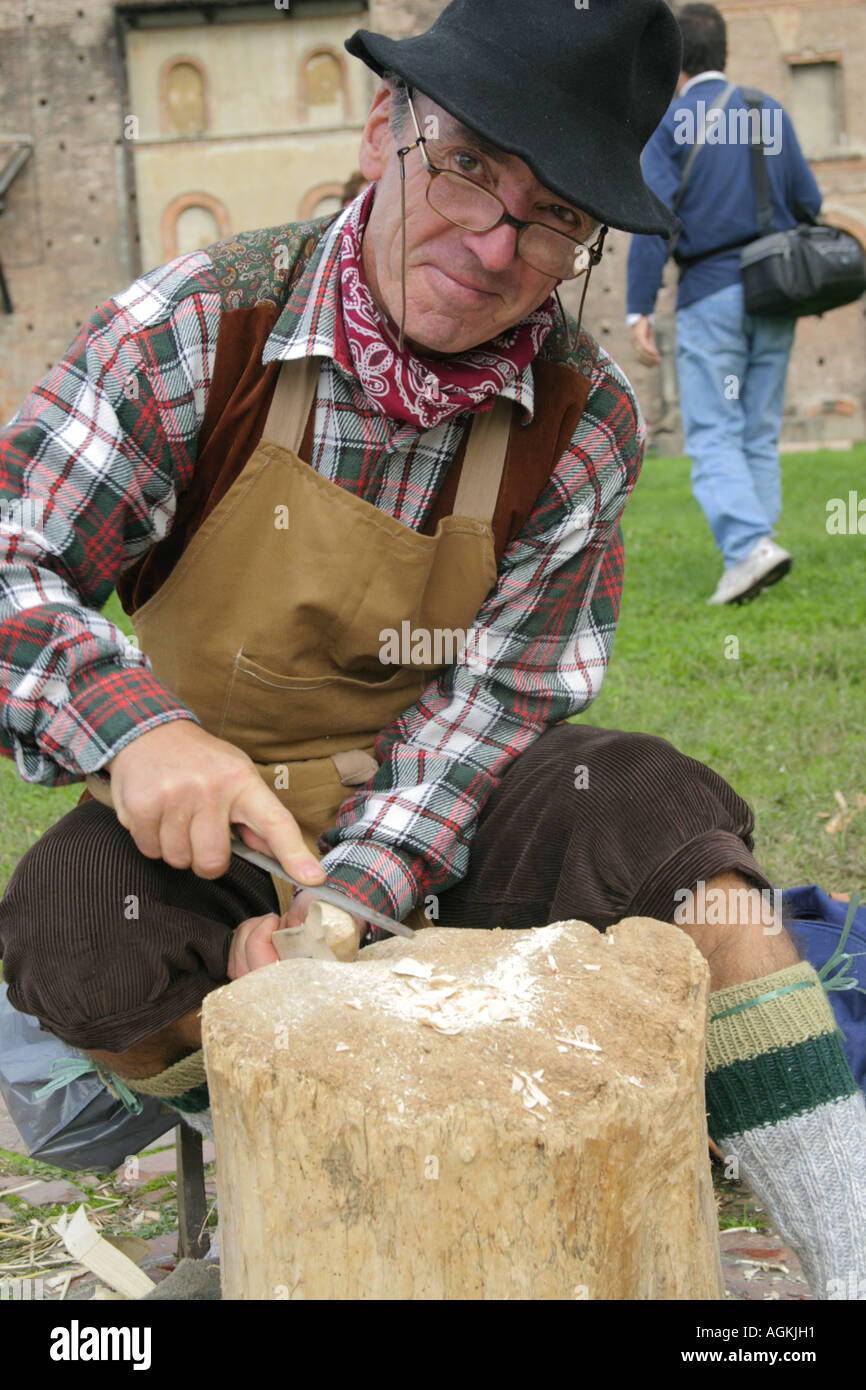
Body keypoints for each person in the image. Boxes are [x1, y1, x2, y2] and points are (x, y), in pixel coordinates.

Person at [0, 0, 862, 1300]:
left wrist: (339, 917)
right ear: (381, 132)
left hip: (443, 819)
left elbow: (494, 708)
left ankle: (844, 1251)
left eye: (554, 213)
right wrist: (134, 729)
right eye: (464, 165)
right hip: (217, 832)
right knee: (72, 928)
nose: (493, 241)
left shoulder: (581, 416)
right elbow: (13, 559)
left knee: (675, 837)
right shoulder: (188, 336)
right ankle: (292, 1159)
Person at [627, 2, 823, 605]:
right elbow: (810, 203)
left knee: (713, 431)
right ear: (726, 53)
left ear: (675, 60)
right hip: (775, 291)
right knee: (758, 429)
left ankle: (748, 549)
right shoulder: (767, 110)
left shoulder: (671, 124)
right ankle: (758, 549)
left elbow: (653, 220)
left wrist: (638, 308)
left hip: (711, 295)